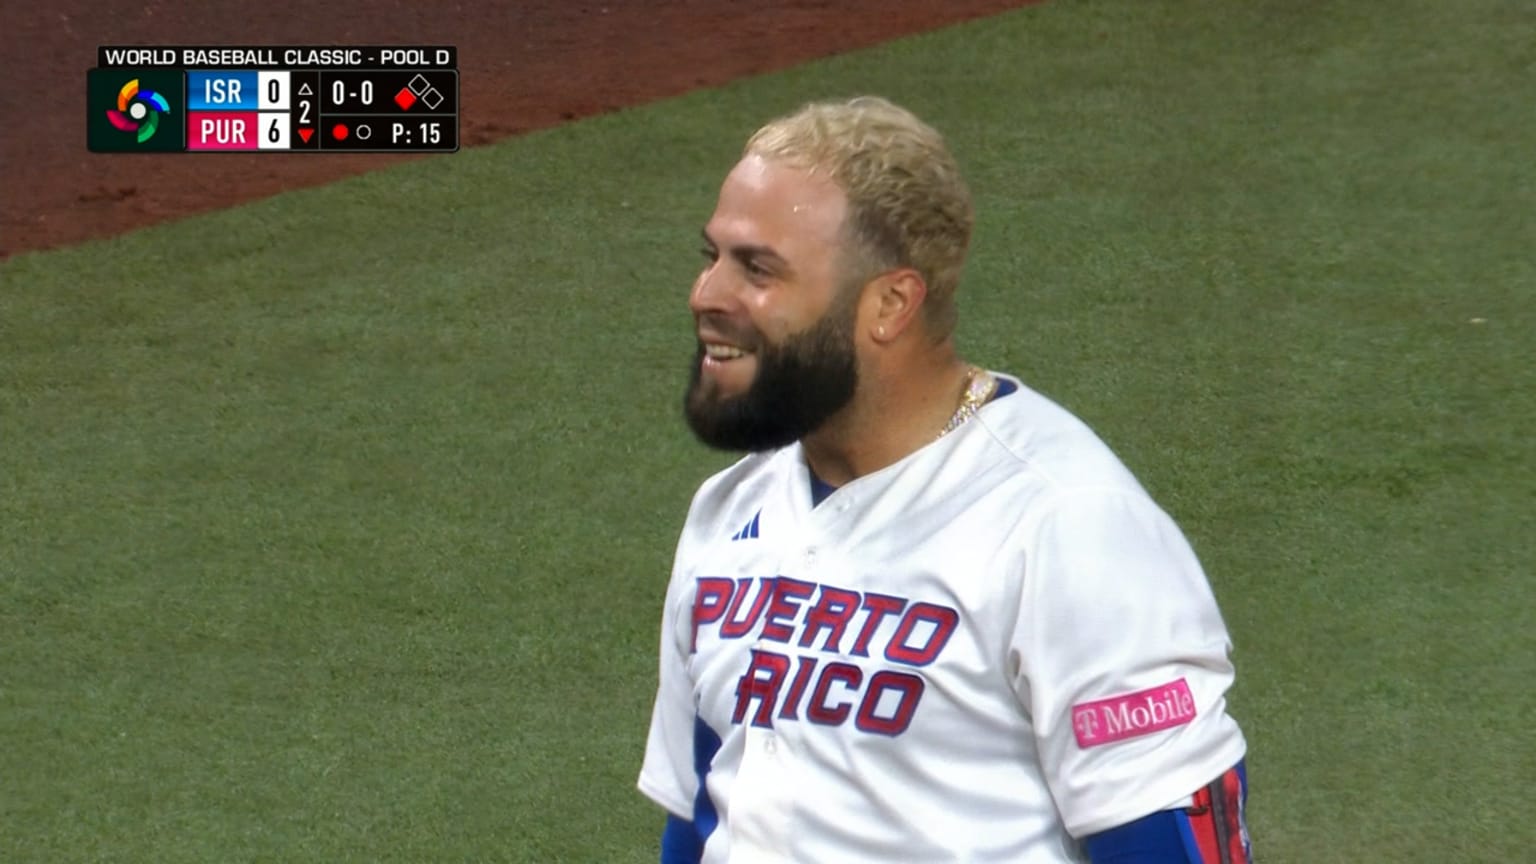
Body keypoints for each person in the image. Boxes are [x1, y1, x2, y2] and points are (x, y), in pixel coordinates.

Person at [637, 96, 1251, 864]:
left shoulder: (1065, 525)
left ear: (890, 303)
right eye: (713, 256)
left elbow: (1164, 841)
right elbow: (701, 819)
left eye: (757, 269)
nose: (707, 295)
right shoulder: (731, 511)